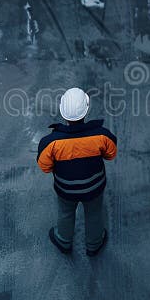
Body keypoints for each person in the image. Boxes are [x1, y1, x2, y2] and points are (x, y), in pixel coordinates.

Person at [37, 87, 117, 257]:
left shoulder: (51, 143)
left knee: (65, 213)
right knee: (94, 213)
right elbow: (111, 155)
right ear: (86, 111)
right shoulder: (102, 136)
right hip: (94, 187)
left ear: (62, 112)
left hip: (65, 189)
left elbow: (45, 167)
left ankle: (63, 240)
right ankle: (94, 244)